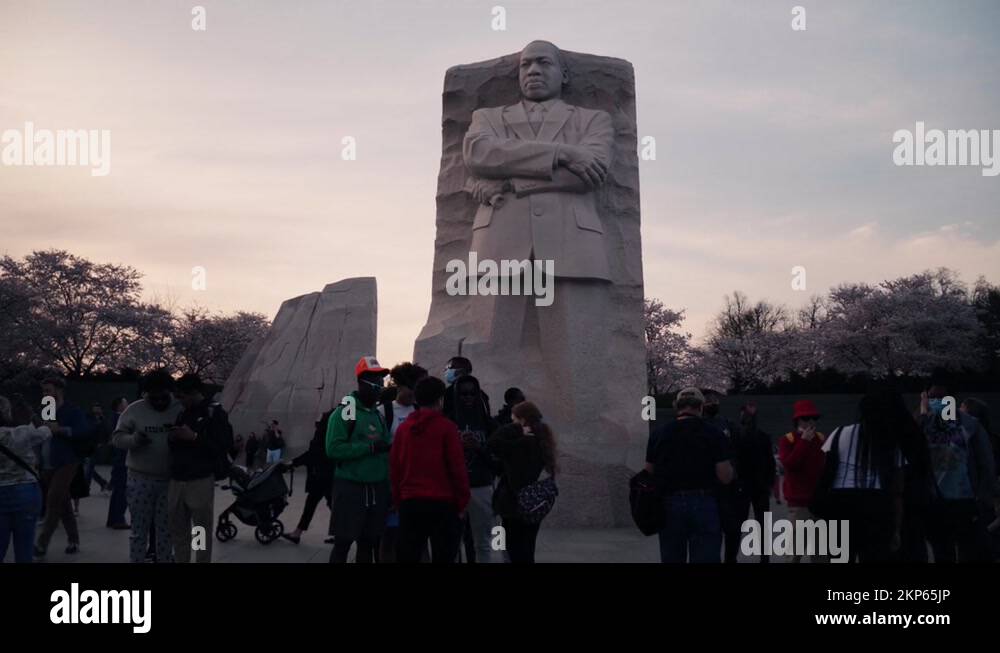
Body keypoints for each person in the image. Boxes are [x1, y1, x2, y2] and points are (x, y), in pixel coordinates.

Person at [817, 387, 910, 563]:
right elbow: (898, 489)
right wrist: (896, 528)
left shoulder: (838, 433)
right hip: (876, 504)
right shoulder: (891, 440)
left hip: (841, 502)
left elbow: (825, 469)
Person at [644, 387, 734, 563]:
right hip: (704, 503)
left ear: (676, 406)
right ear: (701, 407)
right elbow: (725, 476)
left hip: (669, 504)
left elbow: (648, 472)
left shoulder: (659, 434)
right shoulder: (714, 433)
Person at [391, 376, 470, 563]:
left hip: (410, 503)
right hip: (443, 504)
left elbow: (395, 468)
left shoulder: (404, 429)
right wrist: (462, 503)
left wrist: (398, 500)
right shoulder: (446, 428)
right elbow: (457, 468)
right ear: (440, 399)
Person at [326, 356, 393, 563]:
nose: (380, 385)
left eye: (381, 380)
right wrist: (369, 447)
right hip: (351, 488)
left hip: (376, 489)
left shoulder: (378, 415)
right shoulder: (346, 410)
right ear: (361, 382)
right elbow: (333, 449)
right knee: (343, 544)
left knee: (368, 544)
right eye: (375, 380)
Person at [920, 384, 996, 563]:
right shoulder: (969, 423)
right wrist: (984, 497)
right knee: (968, 550)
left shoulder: (921, 422)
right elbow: (986, 463)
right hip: (964, 499)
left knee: (941, 552)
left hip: (933, 500)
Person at [112, 370, 182, 563]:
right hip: (140, 478)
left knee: (165, 530)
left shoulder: (179, 408)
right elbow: (117, 438)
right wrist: (134, 439)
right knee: (138, 530)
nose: (159, 402)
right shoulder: (134, 410)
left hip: (169, 480)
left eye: (163, 397)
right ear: (146, 394)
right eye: (154, 398)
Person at [168, 374, 232, 563]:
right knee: (178, 531)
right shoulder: (182, 413)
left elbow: (223, 446)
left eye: (182, 396)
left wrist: (195, 437)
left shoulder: (215, 413)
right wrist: (173, 438)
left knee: (199, 531)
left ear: (194, 392)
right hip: (177, 478)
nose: (180, 400)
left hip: (200, 479)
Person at [489, 401, 558, 563]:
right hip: (533, 504)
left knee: (514, 550)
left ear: (522, 420)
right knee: (527, 548)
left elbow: (493, 443)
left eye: (513, 420)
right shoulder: (541, 440)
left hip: (515, 504)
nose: (511, 423)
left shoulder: (523, 443)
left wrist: (515, 429)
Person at [34, 377, 93, 558]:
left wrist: (61, 429)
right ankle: (73, 540)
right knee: (63, 503)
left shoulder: (72, 411)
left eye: (48, 390)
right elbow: (40, 437)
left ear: (59, 390)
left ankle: (41, 544)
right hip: (47, 463)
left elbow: (83, 431)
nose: (45, 394)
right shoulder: (45, 410)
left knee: (53, 500)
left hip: (67, 461)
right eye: (43, 391)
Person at [445, 373, 498, 563]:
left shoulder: (488, 423)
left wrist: (478, 448)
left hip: (481, 486)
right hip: (452, 489)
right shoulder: (448, 423)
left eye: (472, 394)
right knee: (451, 543)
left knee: (482, 542)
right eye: (463, 394)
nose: (468, 397)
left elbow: (498, 462)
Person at [378, 362, 429, 562]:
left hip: (418, 486)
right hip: (392, 485)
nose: (414, 393)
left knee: (420, 539)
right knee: (389, 537)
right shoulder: (384, 412)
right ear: (400, 386)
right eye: (412, 388)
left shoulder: (421, 411)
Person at [0, 395, 52, 563]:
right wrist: (41, 412)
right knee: (24, 548)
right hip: (26, 492)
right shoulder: (22, 433)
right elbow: (46, 431)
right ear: (6, 412)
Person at [777, 399, 827, 563]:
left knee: (821, 553)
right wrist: (804, 441)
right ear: (797, 421)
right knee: (794, 553)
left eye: (813, 418)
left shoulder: (821, 439)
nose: (810, 422)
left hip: (819, 502)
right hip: (799, 504)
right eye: (805, 419)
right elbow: (790, 465)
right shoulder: (788, 440)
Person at [282, 411, 337, 544]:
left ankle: (298, 533)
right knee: (327, 504)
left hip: (319, 476)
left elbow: (312, 454)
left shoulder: (322, 435)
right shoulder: (330, 434)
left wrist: (293, 463)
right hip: (327, 475)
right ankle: (298, 532)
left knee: (315, 504)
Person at [732, 402, 776, 562]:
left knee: (738, 523)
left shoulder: (737, 435)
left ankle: (732, 557)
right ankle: (764, 558)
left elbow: (734, 461)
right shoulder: (762, 436)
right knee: (762, 523)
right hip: (759, 485)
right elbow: (770, 462)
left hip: (744, 485)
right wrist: (770, 483)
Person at [106, 397, 131, 530]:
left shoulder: (114, 418)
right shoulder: (121, 419)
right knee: (122, 491)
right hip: (122, 460)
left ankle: (113, 518)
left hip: (118, 460)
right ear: (120, 406)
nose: (127, 404)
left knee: (118, 491)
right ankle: (118, 519)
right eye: (125, 402)